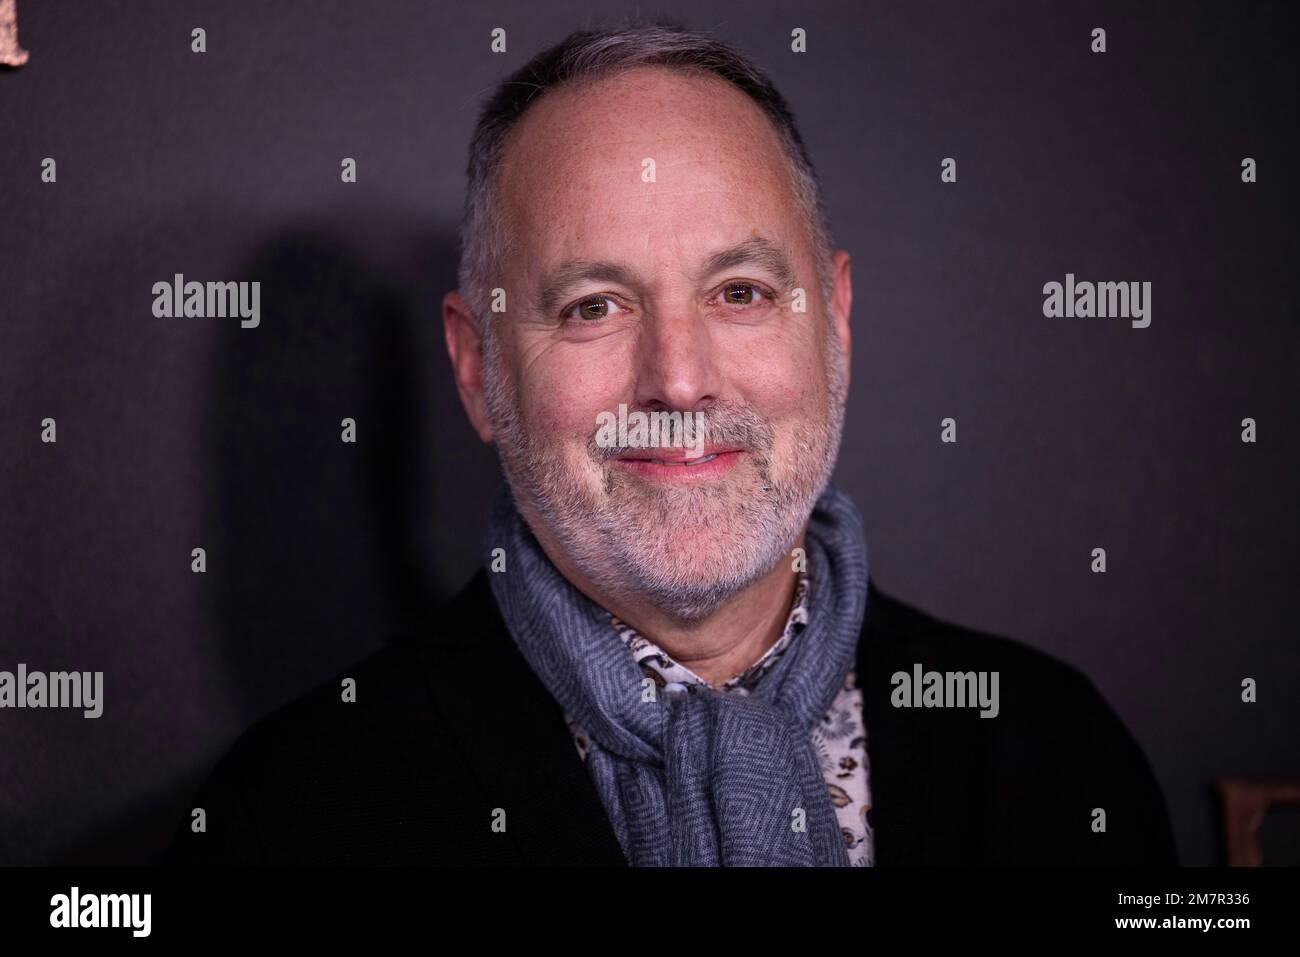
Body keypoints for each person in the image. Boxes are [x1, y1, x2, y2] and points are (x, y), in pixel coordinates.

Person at [166, 21, 1177, 867]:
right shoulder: (292, 818)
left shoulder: (1053, 751)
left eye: (739, 292)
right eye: (593, 306)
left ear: (834, 324)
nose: (679, 380)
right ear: (478, 370)